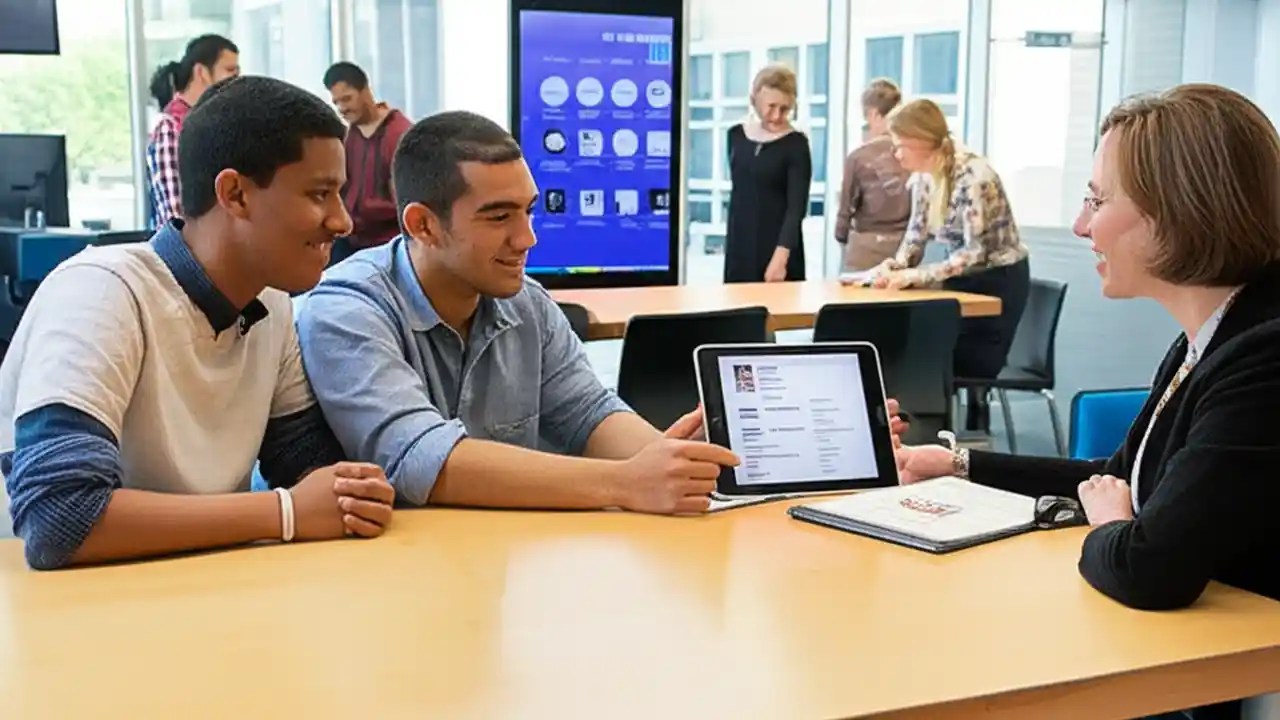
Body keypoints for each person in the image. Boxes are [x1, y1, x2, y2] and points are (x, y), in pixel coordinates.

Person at [893, 83, 1280, 720]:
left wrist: (1114, 525)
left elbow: (1149, 567)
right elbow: (1112, 479)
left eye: (1097, 201)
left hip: (1213, 683)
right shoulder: (1213, 335)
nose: (1080, 226)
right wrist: (961, 466)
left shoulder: (1265, 359)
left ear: (1179, 211)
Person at [0, 76, 396, 570]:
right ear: (234, 194)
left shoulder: (270, 305)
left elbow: (307, 464)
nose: (343, 222)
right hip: (61, 617)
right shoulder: (100, 292)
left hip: (196, 594)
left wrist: (352, 490)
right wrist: (285, 512)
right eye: (320, 194)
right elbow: (58, 520)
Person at [294, 110, 740, 514]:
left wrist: (670, 462)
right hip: (386, 579)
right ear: (423, 225)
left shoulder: (526, 301)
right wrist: (625, 482)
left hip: (505, 571)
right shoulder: (346, 308)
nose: (527, 239)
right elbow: (419, 457)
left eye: (528, 211)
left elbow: (588, 413)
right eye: (498, 217)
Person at [863, 98, 1030, 432]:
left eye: (900, 146)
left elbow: (974, 253)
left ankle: (952, 441)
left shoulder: (974, 176)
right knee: (913, 348)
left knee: (932, 356)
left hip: (996, 282)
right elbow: (916, 234)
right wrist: (895, 267)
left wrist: (917, 276)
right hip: (963, 280)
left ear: (921, 142)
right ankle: (917, 440)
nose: (897, 154)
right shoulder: (925, 176)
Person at [724, 64, 812, 283]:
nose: (776, 115)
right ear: (754, 100)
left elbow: (796, 209)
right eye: (771, 106)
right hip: (739, 246)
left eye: (784, 108)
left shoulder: (796, 145)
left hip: (779, 249)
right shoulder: (735, 136)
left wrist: (780, 258)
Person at [146, 34, 241, 229]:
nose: (236, 81)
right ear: (201, 72)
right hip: (186, 254)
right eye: (230, 71)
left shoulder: (218, 123)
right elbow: (172, 215)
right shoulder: (170, 126)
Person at [323, 61, 413, 263]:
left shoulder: (399, 135)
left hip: (387, 246)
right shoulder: (348, 136)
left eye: (347, 99)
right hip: (350, 239)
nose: (342, 108)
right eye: (336, 102)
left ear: (365, 91)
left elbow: (407, 202)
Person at [834, 78, 911, 272]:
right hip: (908, 248)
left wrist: (841, 237)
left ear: (873, 113)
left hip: (866, 251)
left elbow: (846, 210)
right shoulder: (913, 152)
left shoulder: (858, 158)